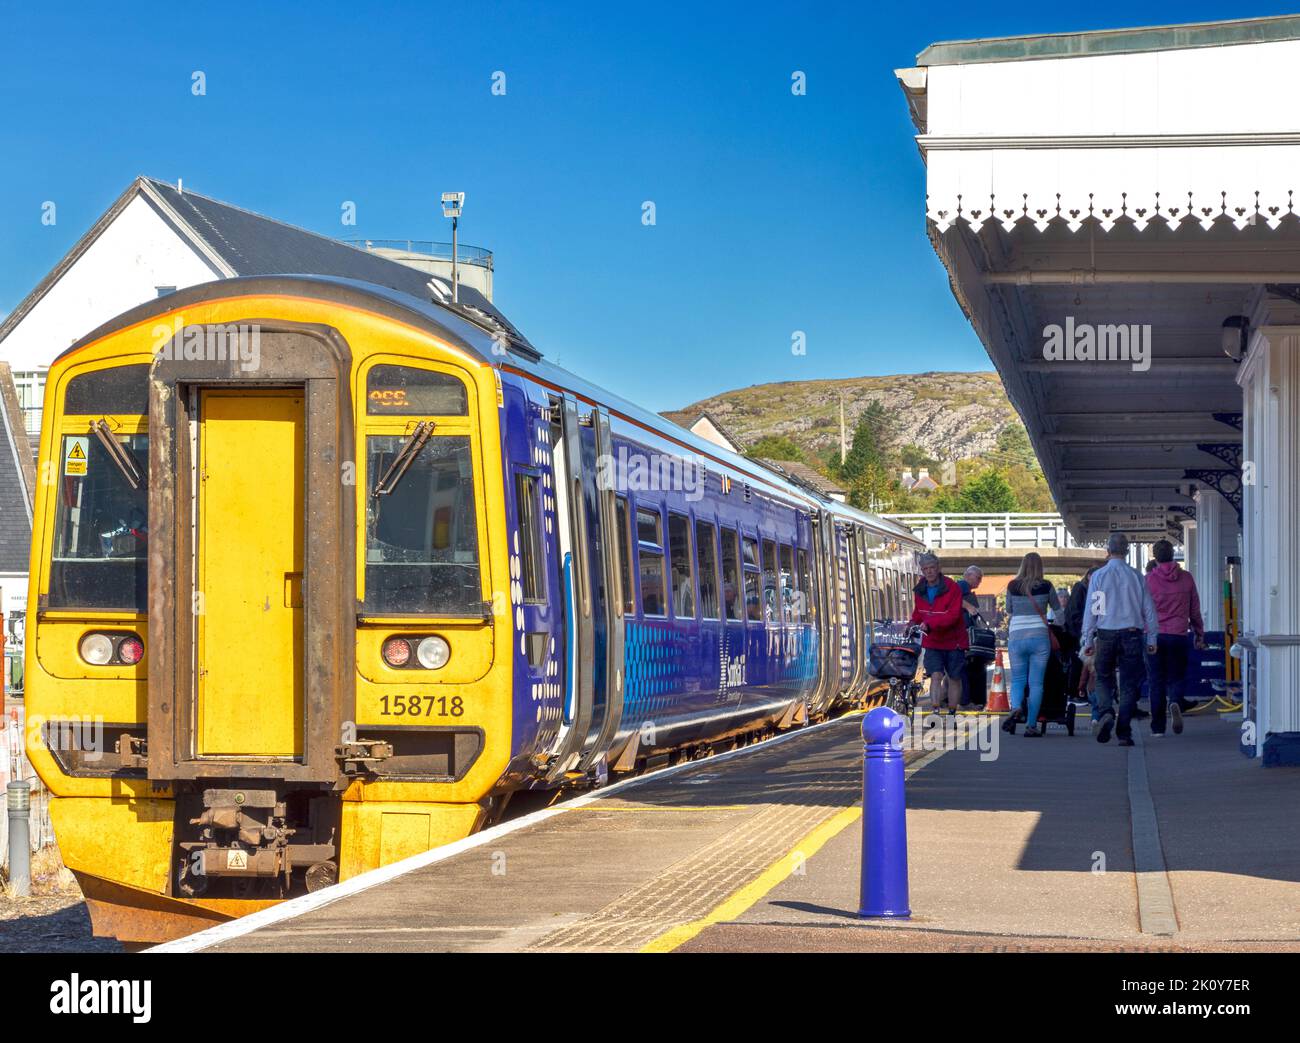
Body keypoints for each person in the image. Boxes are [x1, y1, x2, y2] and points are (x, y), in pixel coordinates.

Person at [1081, 532, 1158, 746]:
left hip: (1105, 634)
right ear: (1126, 551)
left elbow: (1094, 610)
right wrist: (1152, 638)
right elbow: (1148, 610)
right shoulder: (1136, 576)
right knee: (1128, 683)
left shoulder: (1099, 576)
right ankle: (1124, 732)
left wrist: (1088, 639)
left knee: (1104, 677)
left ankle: (1106, 712)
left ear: (1108, 550)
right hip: (1132, 634)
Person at [1144, 539, 1206, 736]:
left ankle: (1157, 728)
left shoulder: (1148, 580)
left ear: (1155, 556)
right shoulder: (1187, 578)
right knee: (1177, 677)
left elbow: (1141, 610)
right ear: (1172, 554)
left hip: (1154, 637)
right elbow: (1194, 610)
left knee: (1156, 680)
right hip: (1178, 635)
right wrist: (1199, 633)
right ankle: (1175, 702)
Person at [1000, 551, 1062, 737]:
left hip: (1017, 636)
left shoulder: (1012, 586)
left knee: (1018, 680)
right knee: (1036, 684)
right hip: (1040, 638)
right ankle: (1031, 725)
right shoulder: (1047, 585)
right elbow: (1059, 612)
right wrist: (1063, 628)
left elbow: (1009, 609)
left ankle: (1017, 708)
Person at [909, 552, 968, 715]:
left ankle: (951, 713)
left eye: (932, 568)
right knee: (935, 675)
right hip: (933, 641)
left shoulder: (952, 587)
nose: (929, 572)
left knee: (954, 677)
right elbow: (918, 612)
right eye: (925, 569)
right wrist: (912, 623)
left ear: (938, 568)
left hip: (954, 641)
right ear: (922, 570)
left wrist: (930, 624)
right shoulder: (920, 589)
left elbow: (953, 615)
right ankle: (935, 711)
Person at [958, 566, 987, 708]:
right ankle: (965, 701)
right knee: (963, 668)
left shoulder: (966, 589)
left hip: (961, 634)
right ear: (968, 575)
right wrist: (969, 607)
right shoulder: (961, 586)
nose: (980, 581)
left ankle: (960, 699)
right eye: (978, 577)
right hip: (961, 635)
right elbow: (953, 598)